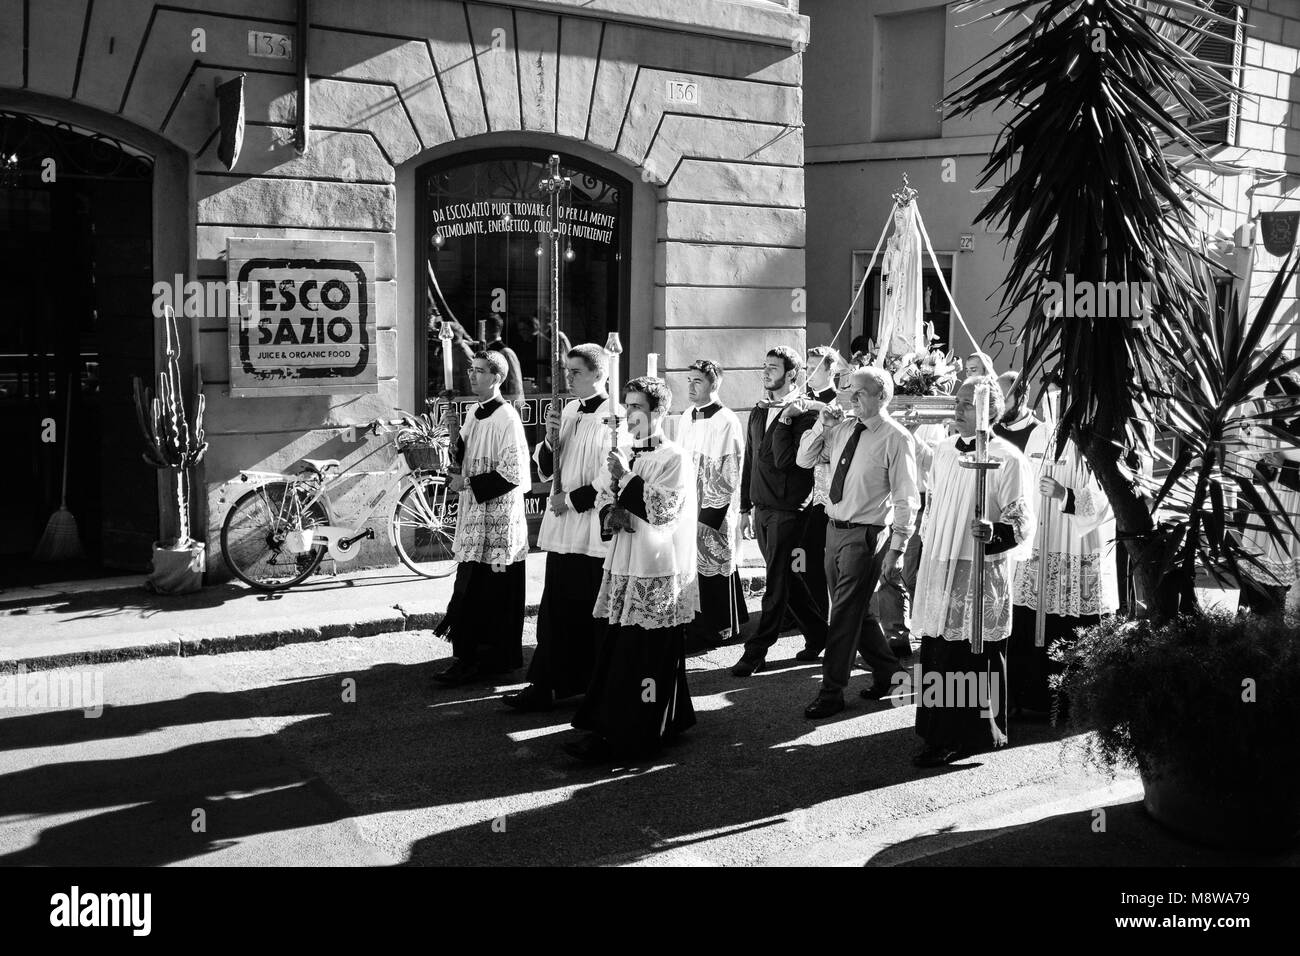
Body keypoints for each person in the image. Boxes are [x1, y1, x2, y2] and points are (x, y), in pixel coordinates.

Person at [566, 377, 698, 762]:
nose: (630, 414)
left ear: (658, 412)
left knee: (646, 651)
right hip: (625, 560)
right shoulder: (623, 451)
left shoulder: (674, 457)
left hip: (655, 566)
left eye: (637, 406)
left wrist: (626, 476)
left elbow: (664, 511)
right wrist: (611, 512)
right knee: (619, 646)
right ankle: (624, 723)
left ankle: (638, 731)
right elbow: (605, 500)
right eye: (627, 406)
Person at [911, 376, 1035, 766]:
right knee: (938, 648)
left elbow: (1023, 516)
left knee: (973, 650)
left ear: (990, 411)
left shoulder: (1009, 458)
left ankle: (972, 733)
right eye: (958, 403)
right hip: (941, 559)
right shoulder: (945, 450)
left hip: (980, 564)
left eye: (967, 404)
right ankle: (935, 728)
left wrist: (996, 531)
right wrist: (924, 545)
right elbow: (934, 503)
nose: (958, 410)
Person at [505, 344, 624, 711]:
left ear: (599, 374)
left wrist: (570, 501)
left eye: (576, 373)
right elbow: (545, 466)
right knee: (556, 610)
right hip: (564, 531)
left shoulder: (615, 416)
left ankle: (593, 685)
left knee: (592, 611)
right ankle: (544, 685)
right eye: (567, 372)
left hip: (591, 529)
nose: (567, 379)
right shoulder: (568, 410)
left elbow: (610, 477)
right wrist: (551, 437)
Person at [795, 367, 918, 718]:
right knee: (857, 613)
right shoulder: (844, 428)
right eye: (850, 391)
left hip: (866, 534)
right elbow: (804, 459)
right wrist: (823, 424)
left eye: (860, 392)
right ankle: (892, 676)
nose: (851, 398)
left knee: (844, 616)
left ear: (882, 396)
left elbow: (907, 497)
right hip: (833, 528)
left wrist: (897, 547)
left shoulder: (895, 437)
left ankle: (831, 691)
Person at [432, 351, 532, 686]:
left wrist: (469, 483)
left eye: (479, 371)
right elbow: (461, 456)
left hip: (499, 520)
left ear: (497, 377)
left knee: (491, 591)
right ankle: (469, 655)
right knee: (470, 586)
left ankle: (492, 658)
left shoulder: (507, 418)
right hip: (475, 512)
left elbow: (515, 473)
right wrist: (452, 431)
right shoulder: (475, 412)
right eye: (470, 370)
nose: (472, 376)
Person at [1008, 431, 1117, 717]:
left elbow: (1106, 500)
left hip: (1077, 543)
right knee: (1028, 616)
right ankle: (1028, 697)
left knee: (1071, 621)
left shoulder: (1092, 438)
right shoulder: (1038, 435)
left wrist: (1063, 494)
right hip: (1039, 540)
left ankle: (1072, 702)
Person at [732, 347, 827, 676]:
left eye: (773, 367)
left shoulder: (807, 415)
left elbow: (790, 461)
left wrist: (786, 418)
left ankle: (756, 650)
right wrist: (744, 507)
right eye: (765, 366)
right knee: (786, 576)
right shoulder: (759, 411)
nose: (766, 372)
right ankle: (819, 633)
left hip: (790, 509)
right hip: (760, 507)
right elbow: (750, 459)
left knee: (775, 579)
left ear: (792, 374)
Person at [678, 360, 750, 645]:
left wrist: (709, 514)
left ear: (714, 384)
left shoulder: (726, 420)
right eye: (689, 380)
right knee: (691, 566)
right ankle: (694, 624)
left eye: (698, 381)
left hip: (713, 506)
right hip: (688, 502)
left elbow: (728, 471)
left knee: (714, 563)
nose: (691, 387)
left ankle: (718, 627)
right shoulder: (687, 415)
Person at [484, 315, 524, 402]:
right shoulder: (486, 350)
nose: (484, 331)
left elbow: (515, 385)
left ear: (496, 328)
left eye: (486, 328)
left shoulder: (506, 352)